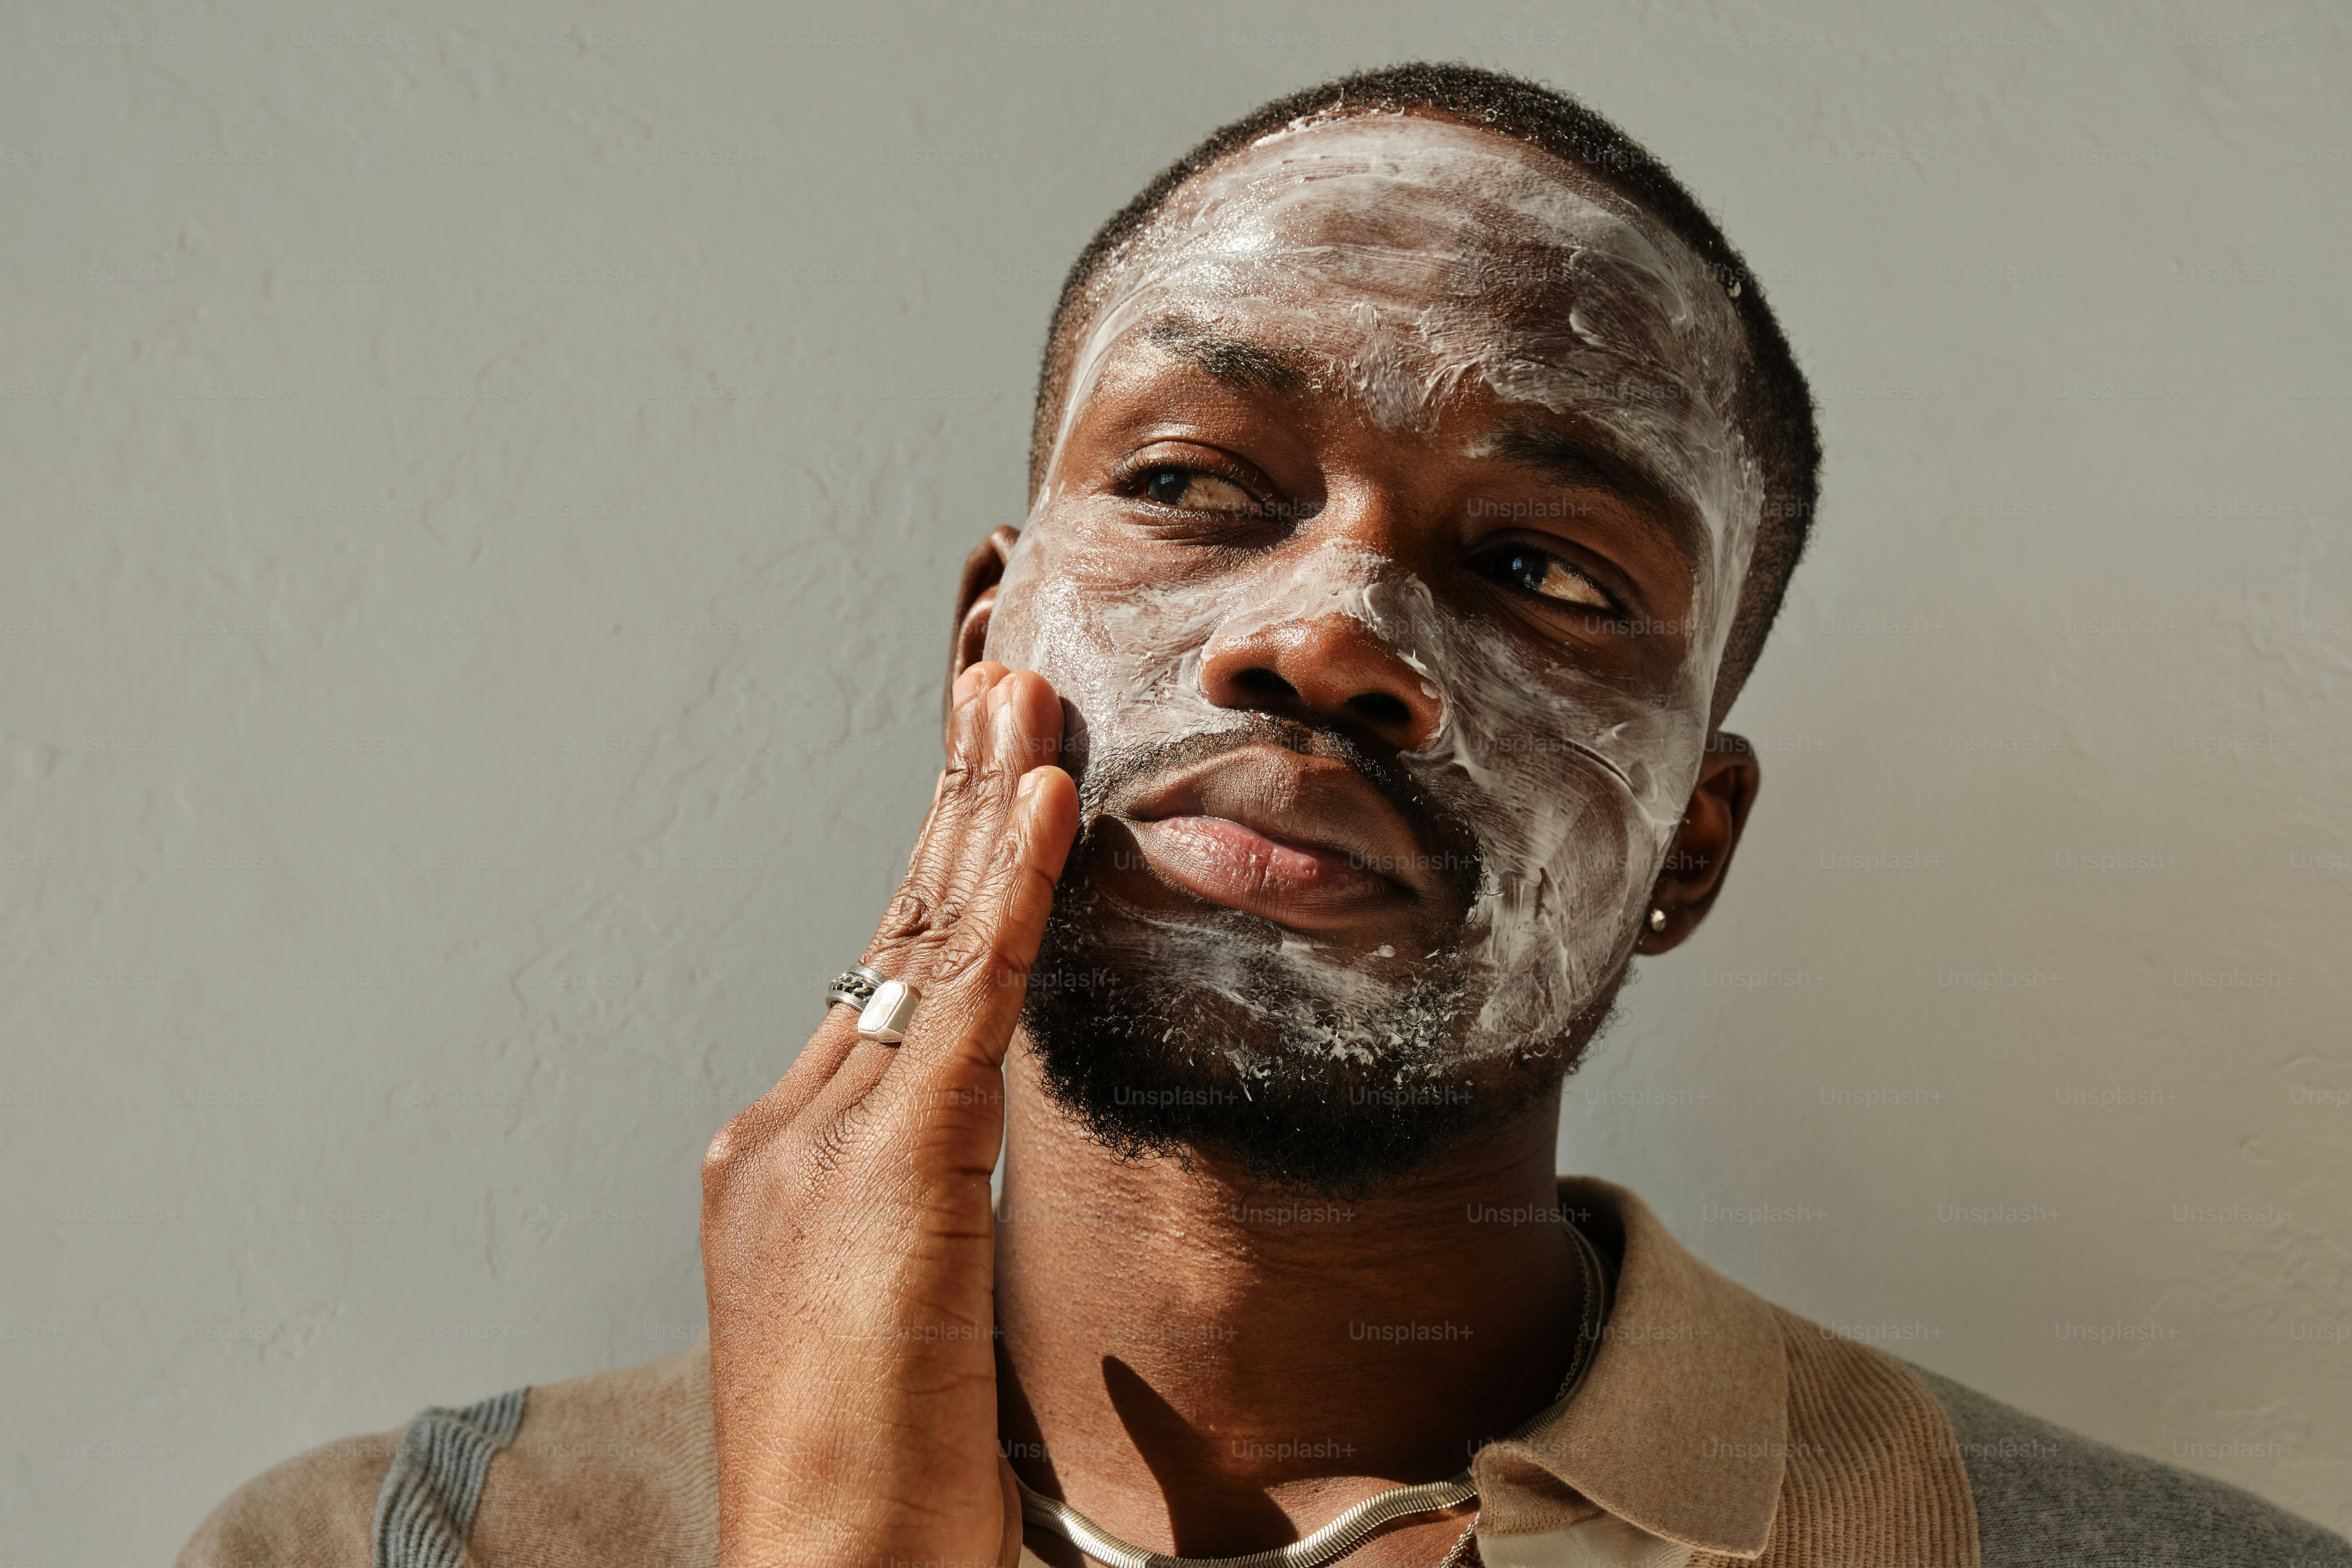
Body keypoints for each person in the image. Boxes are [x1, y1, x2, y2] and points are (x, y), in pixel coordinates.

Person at [177, 63, 2344, 1568]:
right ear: (982, 650)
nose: (1328, 639)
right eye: (1195, 483)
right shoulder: (394, 1545)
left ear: (1692, 842)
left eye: (1546, 570)